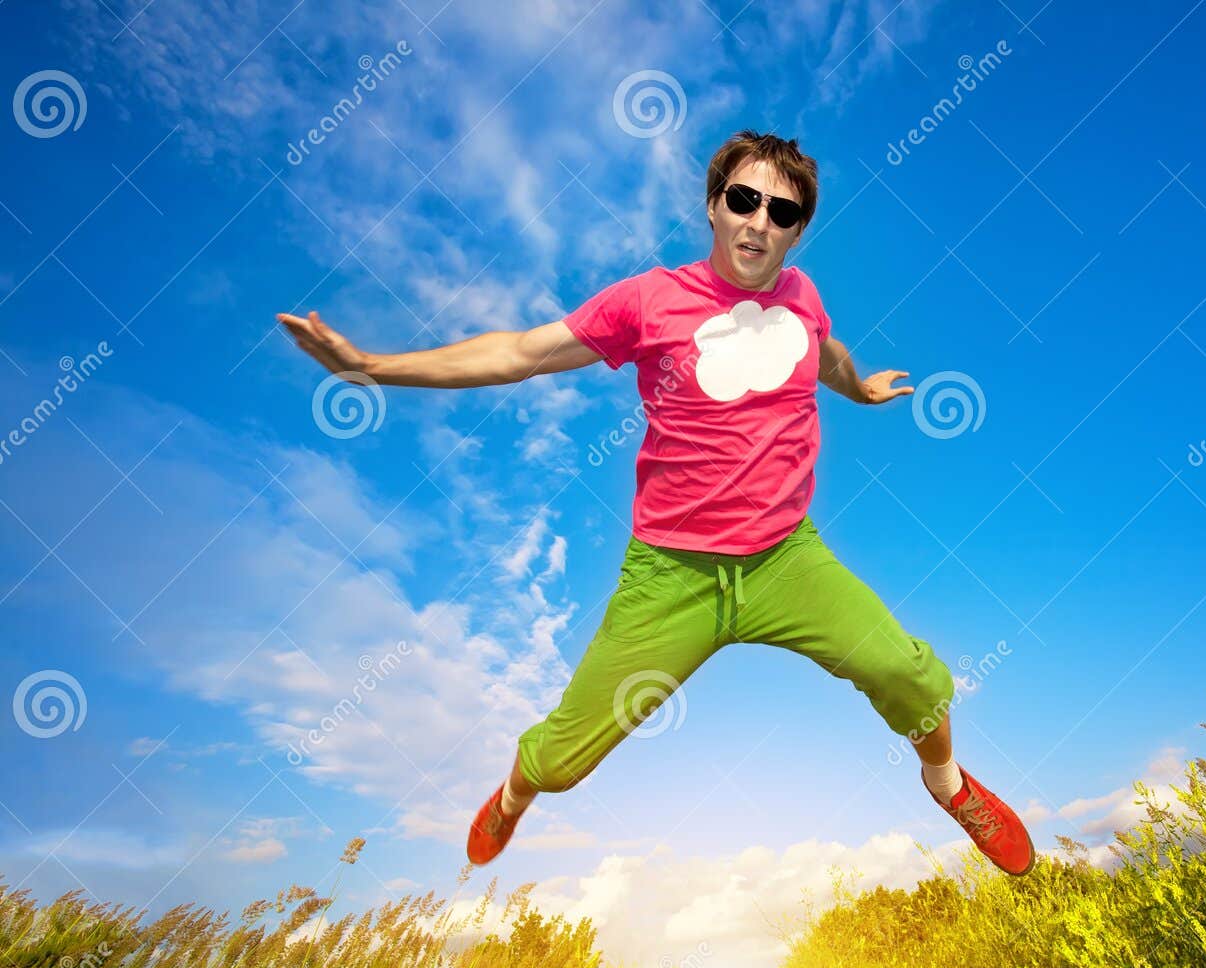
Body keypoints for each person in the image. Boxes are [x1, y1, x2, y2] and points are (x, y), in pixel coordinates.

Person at [276, 129, 1035, 876]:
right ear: (713, 205)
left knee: (913, 676)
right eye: (744, 200)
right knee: (565, 759)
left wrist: (859, 384)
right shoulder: (649, 300)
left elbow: (825, 349)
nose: (758, 222)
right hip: (671, 575)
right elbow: (516, 353)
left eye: (782, 212)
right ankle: (513, 793)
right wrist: (373, 366)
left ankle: (948, 785)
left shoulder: (802, 297)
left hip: (786, 558)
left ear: (798, 233)